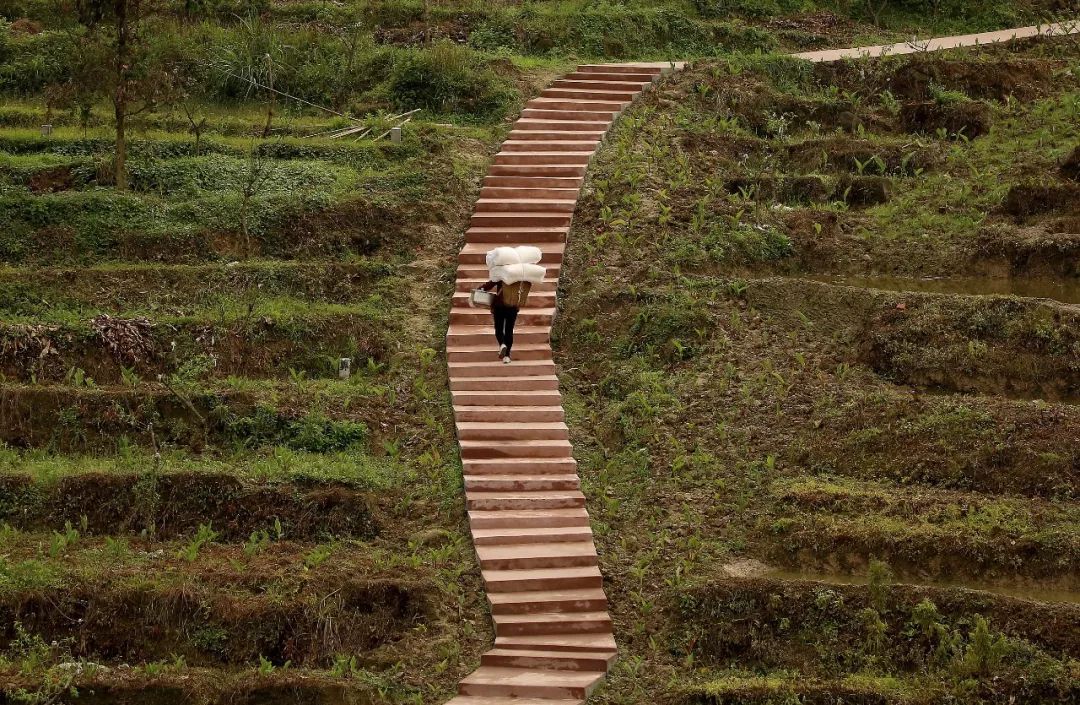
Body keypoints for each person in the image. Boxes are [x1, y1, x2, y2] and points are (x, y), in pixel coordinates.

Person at [481, 278, 531, 363]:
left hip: (500, 306)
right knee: (509, 330)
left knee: (499, 329)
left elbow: (489, 285)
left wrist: (480, 289)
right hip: (513, 307)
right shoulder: (520, 276)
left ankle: (502, 344)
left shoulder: (502, 274)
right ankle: (507, 356)